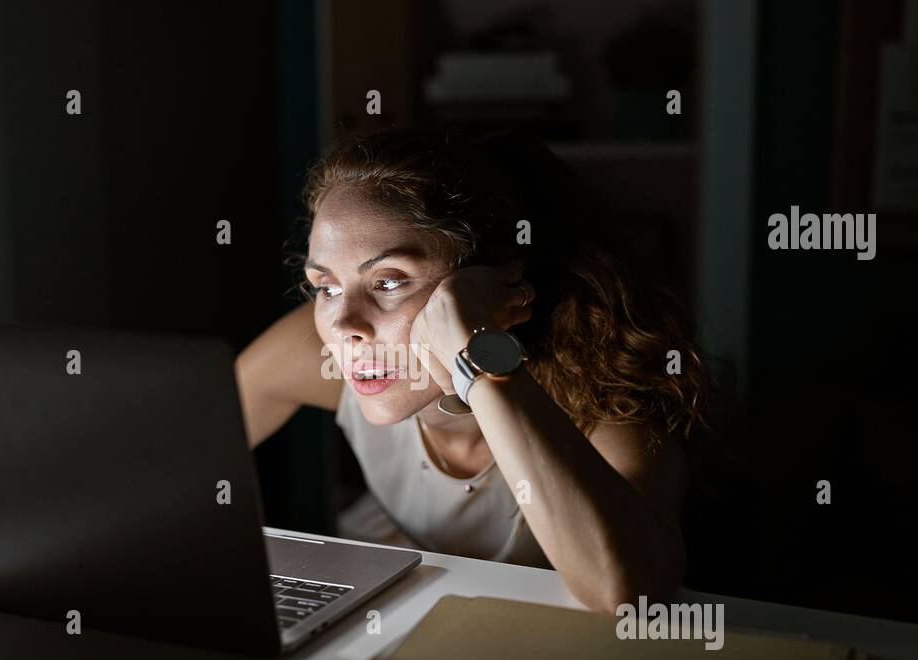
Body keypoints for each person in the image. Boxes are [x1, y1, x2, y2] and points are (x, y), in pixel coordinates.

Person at [236, 127, 709, 613]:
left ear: (492, 285)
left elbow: (631, 593)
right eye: (326, 286)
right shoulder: (324, 348)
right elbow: (185, 452)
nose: (345, 325)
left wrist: (478, 357)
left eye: (390, 281)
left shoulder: (605, 408)